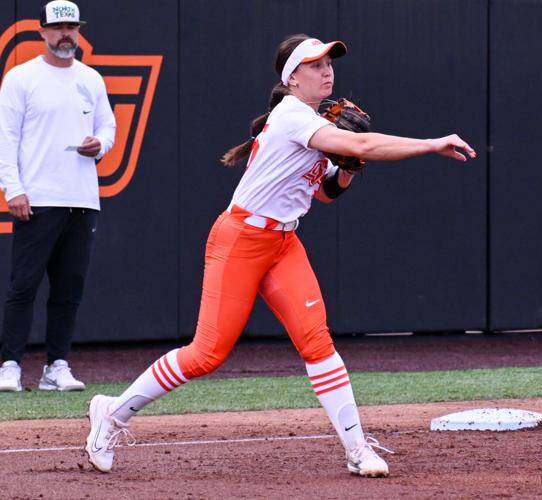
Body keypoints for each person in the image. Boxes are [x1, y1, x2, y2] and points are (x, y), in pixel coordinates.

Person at [85, 33, 475, 477]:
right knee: (207, 354)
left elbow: (326, 192)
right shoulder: (292, 115)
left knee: (317, 342)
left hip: (283, 243)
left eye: (329, 63)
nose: (326, 71)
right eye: (315, 65)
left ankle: (357, 448)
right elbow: (365, 146)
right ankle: (112, 413)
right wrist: (430, 143)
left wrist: (347, 170)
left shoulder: (317, 122)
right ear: (292, 78)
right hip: (240, 238)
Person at [0, 1, 115, 393]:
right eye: (59, 28)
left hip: (82, 198)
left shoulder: (91, 78)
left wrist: (100, 144)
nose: (66, 35)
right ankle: (10, 365)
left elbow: (108, 125)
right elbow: (7, 137)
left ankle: (57, 365)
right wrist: (14, 188)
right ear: (43, 32)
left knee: (69, 289)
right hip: (37, 197)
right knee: (24, 285)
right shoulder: (21, 77)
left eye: (72, 27)